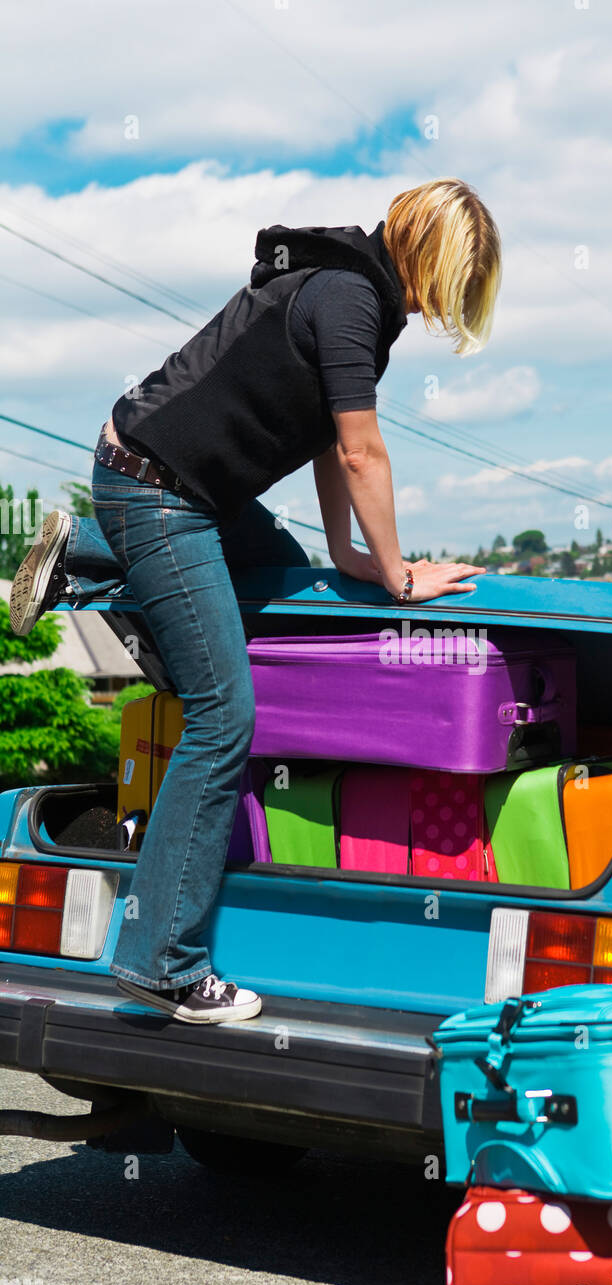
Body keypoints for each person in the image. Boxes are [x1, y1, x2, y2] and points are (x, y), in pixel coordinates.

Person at [9, 178, 502, 1025]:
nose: (437, 311)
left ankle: (82, 558)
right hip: (160, 492)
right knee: (221, 717)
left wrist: (345, 553)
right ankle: (162, 961)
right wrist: (396, 573)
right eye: (451, 286)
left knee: (292, 586)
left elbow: (321, 440)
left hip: (176, 488)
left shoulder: (345, 288)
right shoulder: (352, 299)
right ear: (430, 254)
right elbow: (360, 452)